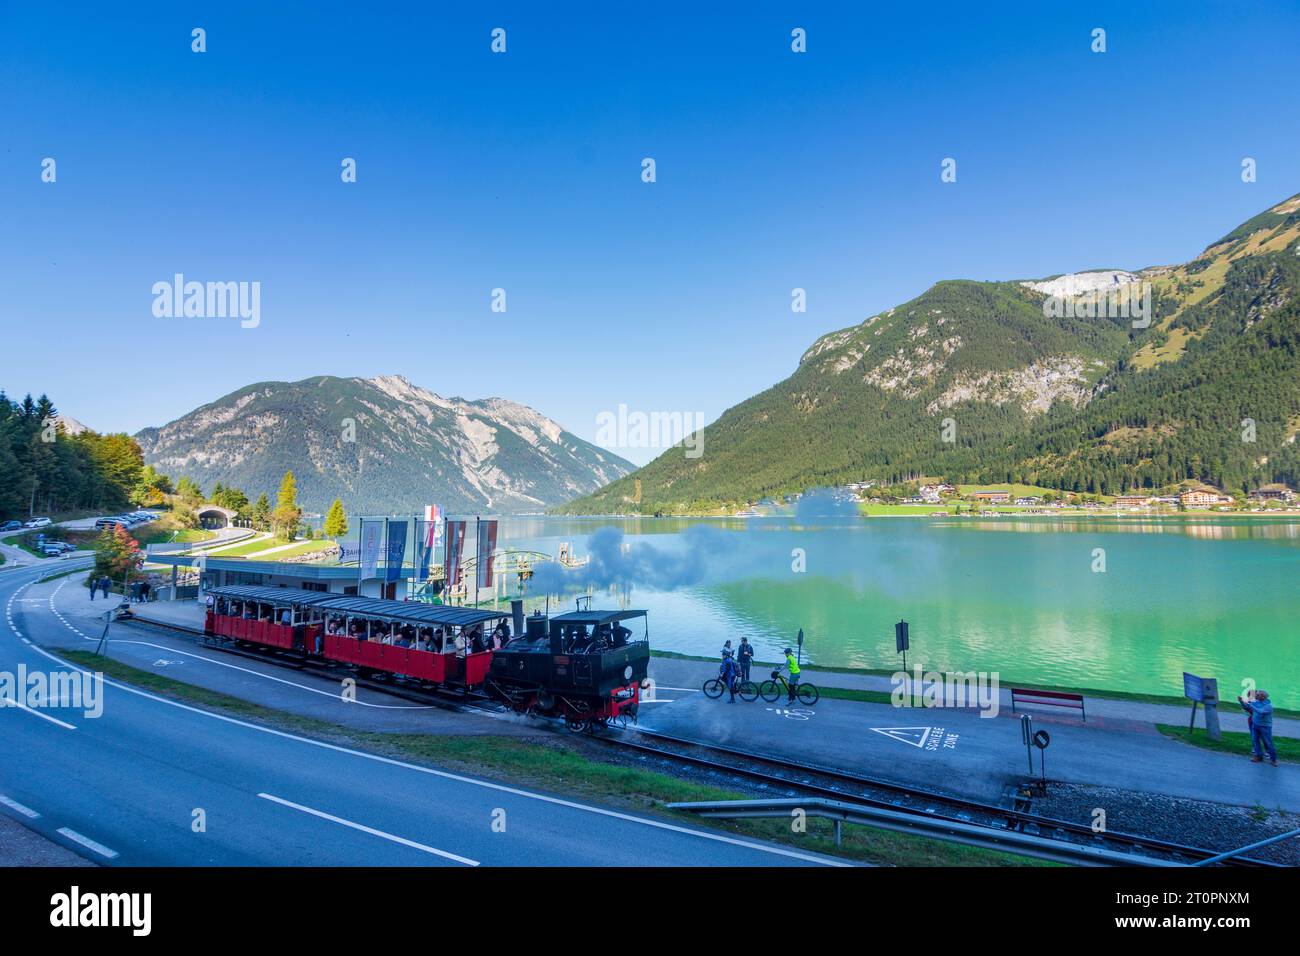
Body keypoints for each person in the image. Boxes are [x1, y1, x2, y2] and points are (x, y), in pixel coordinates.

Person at [1237, 690, 1277, 766]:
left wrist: (1251, 705)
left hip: (1265, 726)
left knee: (1269, 743)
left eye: (1257, 695)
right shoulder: (1256, 702)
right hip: (1255, 725)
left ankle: (1273, 759)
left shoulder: (1269, 706)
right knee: (1255, 741)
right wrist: (1241, 701)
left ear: (1263, 697)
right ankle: (1258, 756)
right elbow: (1246, 707)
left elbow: (1260, 711)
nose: (1256, 696)